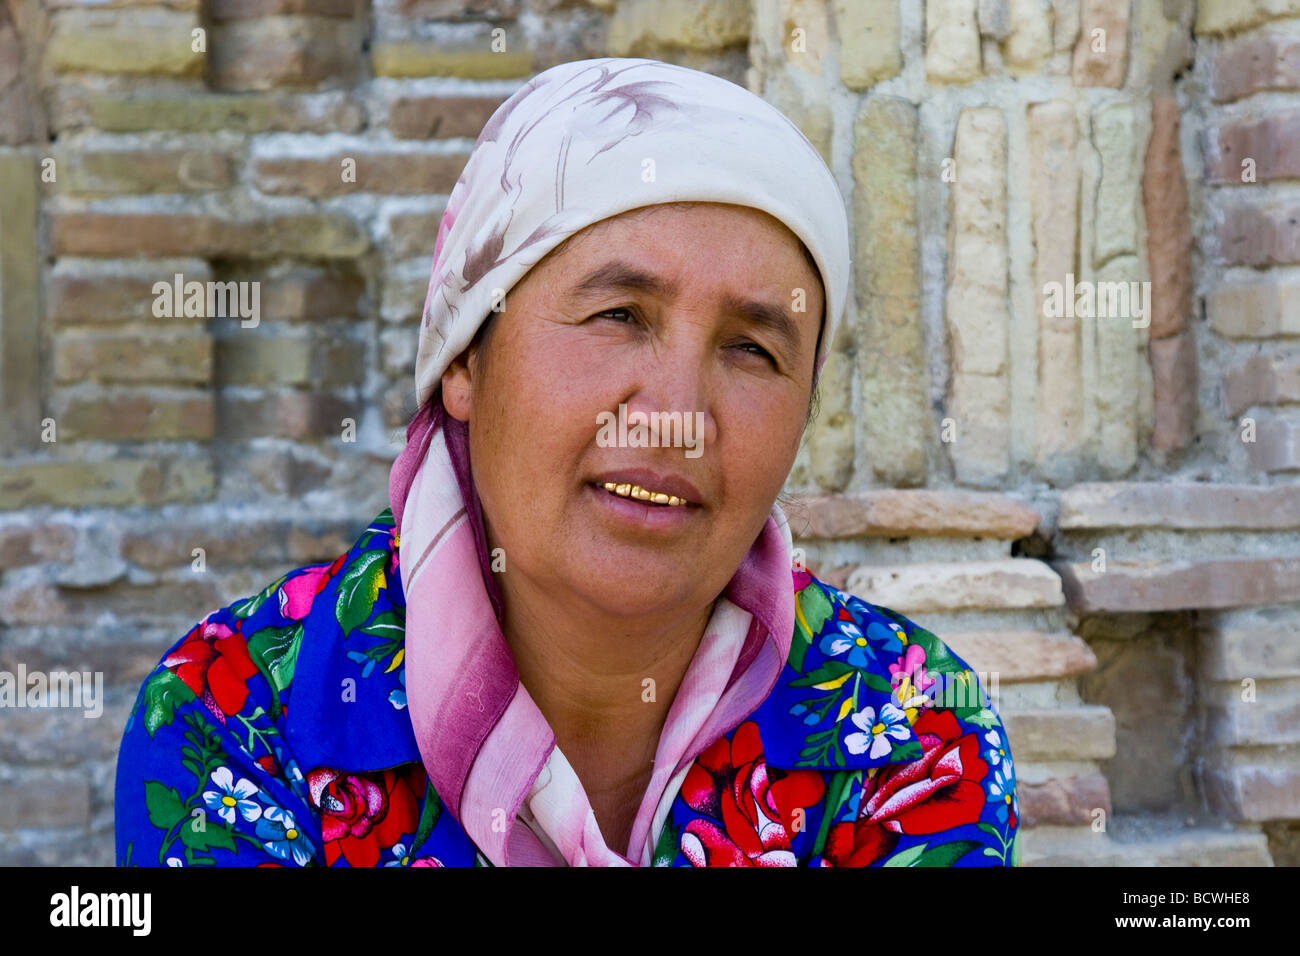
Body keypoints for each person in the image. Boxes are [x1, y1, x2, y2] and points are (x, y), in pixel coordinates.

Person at [115, 56, 1020, 867]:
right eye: (618, 315)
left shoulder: (909, 729)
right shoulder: (239, 715)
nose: (676, 417)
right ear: (465, 360)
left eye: (753, 349)